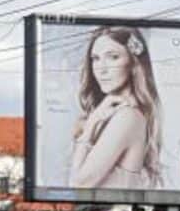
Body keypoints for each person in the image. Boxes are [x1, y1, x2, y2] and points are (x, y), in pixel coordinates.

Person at [67, 26, 163, 189]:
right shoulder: (112, 112)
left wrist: (91, 125)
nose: (101, 69)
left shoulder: (127, 117)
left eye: (113, 57)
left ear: (133, 63)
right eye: (95, 59)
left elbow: (78, 185)